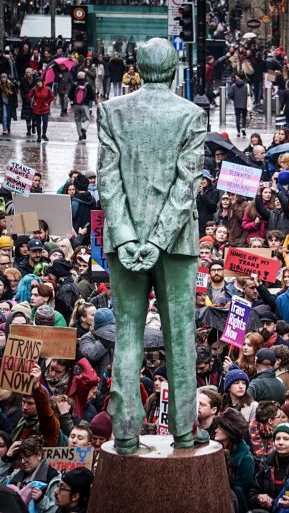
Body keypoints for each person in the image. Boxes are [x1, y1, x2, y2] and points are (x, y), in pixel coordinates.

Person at [97, 39, 209, 452]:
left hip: (123, 240)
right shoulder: (191, 115)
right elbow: (187, 185)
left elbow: (107, 180)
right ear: (176, 69)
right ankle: (183, 429)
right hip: (176, 244)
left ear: (137, 69)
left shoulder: (112, 111)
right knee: (180, 336)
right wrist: (159, 239)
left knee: (127, 334)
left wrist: (127, 236)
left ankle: (124, 432)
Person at [27, 76, 55, 142]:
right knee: (38, 123)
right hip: (37, 109)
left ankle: (44, 134)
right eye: (37, 82)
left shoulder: (47, 89)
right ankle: (39, 136)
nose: (38, 83)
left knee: (45, 122)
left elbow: (52, 97)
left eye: (39, 82)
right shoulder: (34, 89)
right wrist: (33, 102)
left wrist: (48, 102)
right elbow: (29, 96)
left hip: (45, 108)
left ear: (42, 82)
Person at [69, 71, 95, 141]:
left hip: (76, 105)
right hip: (84, 105)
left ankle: (80, 135)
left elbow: (70, 95)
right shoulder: (87, 85)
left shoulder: (74, 84)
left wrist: (72, 101)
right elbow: (92, 95)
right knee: (87, 119)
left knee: (78, 120)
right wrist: (88, 100)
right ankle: (84, 129)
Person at [228, 72, 250, 138]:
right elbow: (250, 94)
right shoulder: (246, 85)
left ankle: (238, 131)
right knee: (244, 117)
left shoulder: (233, 86)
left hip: (237, 104)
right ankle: (243, 127)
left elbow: (230, 94)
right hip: (244, 103)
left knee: (237, 117)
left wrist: (234, 99)